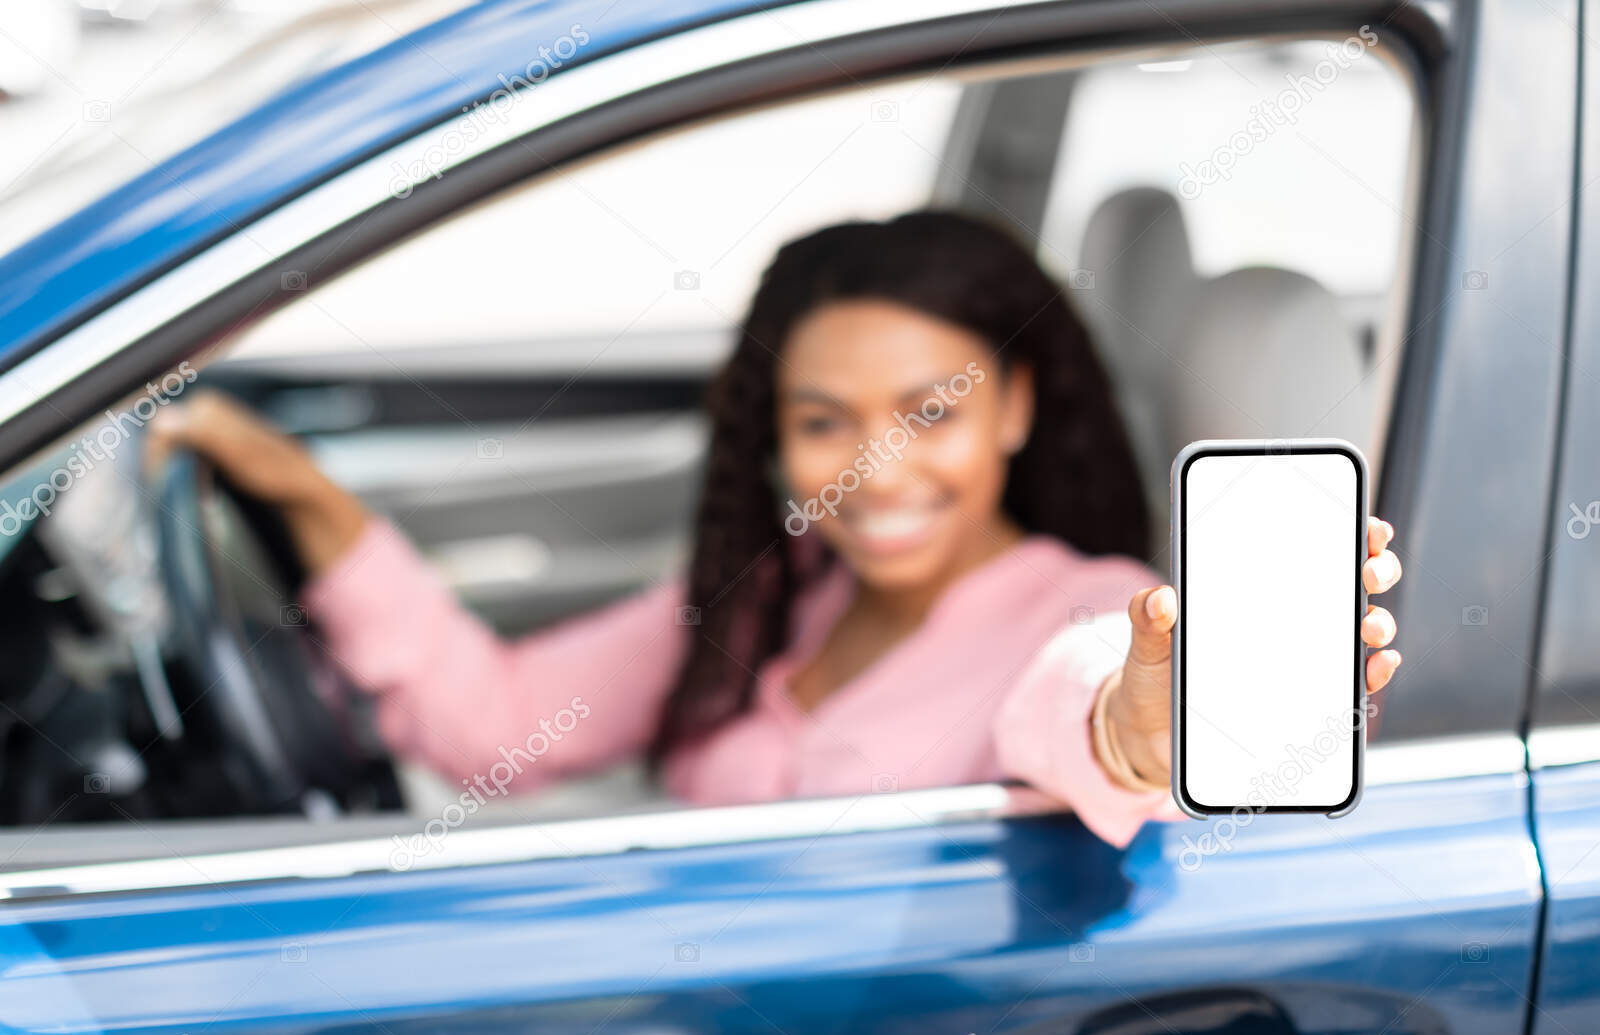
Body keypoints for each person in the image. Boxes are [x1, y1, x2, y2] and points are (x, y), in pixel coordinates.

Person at [147, 211, 1403, 847]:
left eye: (930, 412)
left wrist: (1140, 732)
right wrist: (298, 491)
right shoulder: (772, 586)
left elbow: (1085, 708)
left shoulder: (1093, 608)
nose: (873, 467)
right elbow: (498, 724)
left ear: (1015, 406)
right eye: (821, 421)